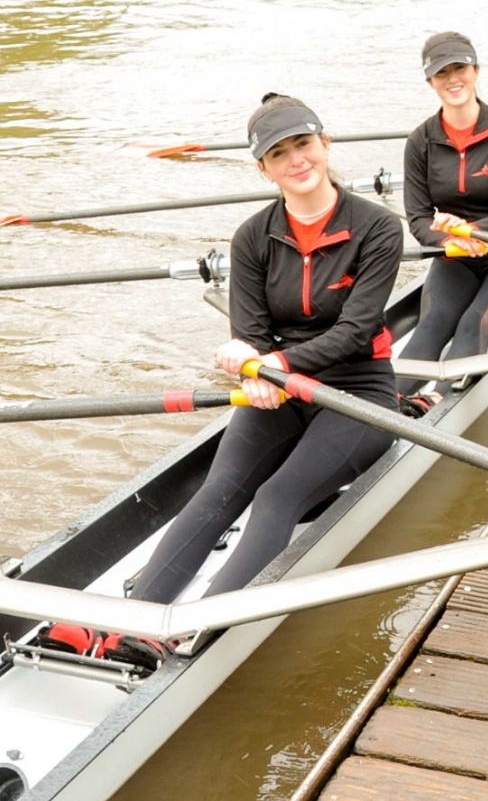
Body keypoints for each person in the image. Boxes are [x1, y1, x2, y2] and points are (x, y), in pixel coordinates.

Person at [94, 94, 403, 662]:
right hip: (281, 387)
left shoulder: (377, 227)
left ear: (325, 144)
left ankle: (198, 628)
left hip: (358, 389)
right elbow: (252, 331)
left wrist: (273, 365)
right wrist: (255, 365)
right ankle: (131, 624)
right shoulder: (252, 237)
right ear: (263, 168)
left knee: (276, 496)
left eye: (304, 145)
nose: (296, 160)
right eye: (279, 154)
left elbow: (356, 331)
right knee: (220, 490)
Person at [397, 32, 488, 412]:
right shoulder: (420, 141)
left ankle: (435, 400)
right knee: (432, 324)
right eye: (441, 73)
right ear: (430, 81)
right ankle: (383, 405)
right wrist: (447, 241)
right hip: (456, 255)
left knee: (474, 322)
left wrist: (475, 230)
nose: (452, 79)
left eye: (459, 68)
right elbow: (418, 217)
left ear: (475, 71)